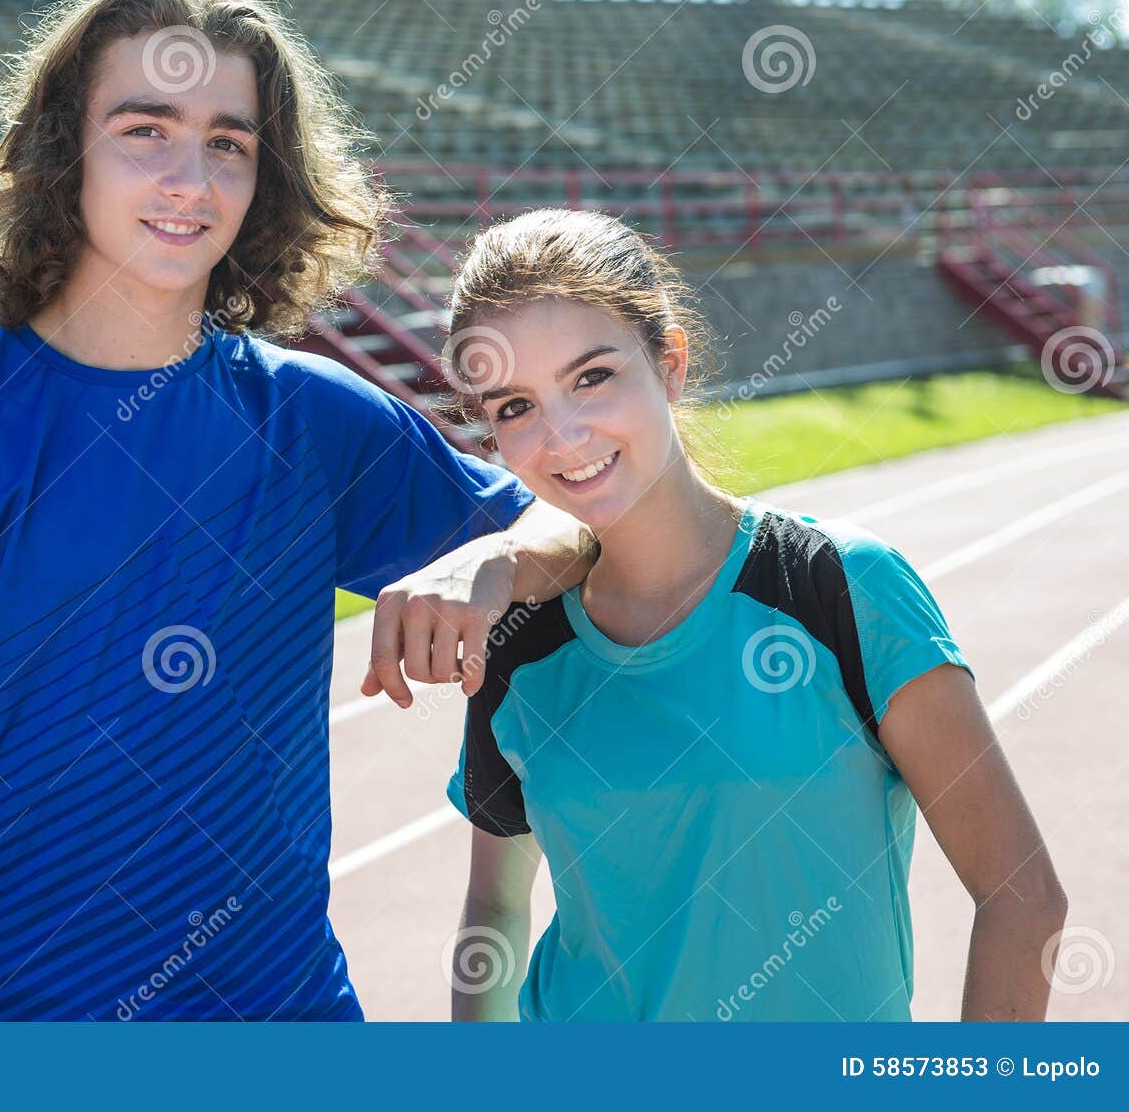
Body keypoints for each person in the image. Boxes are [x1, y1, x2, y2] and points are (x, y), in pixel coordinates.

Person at [0, 0, 594, 1022]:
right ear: (67, 149)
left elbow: (577, 525)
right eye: (146, 129)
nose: (191, 178)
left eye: (228, 142)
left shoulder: (312, 418)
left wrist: (486, 558)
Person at [441, 207, 1067, 1022]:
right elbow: (496, 908)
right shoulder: (518, 642)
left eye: (592, 376)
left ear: (670, 363)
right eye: (514, 406)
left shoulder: (843, 589)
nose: (562, 436)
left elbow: (1024, 900)